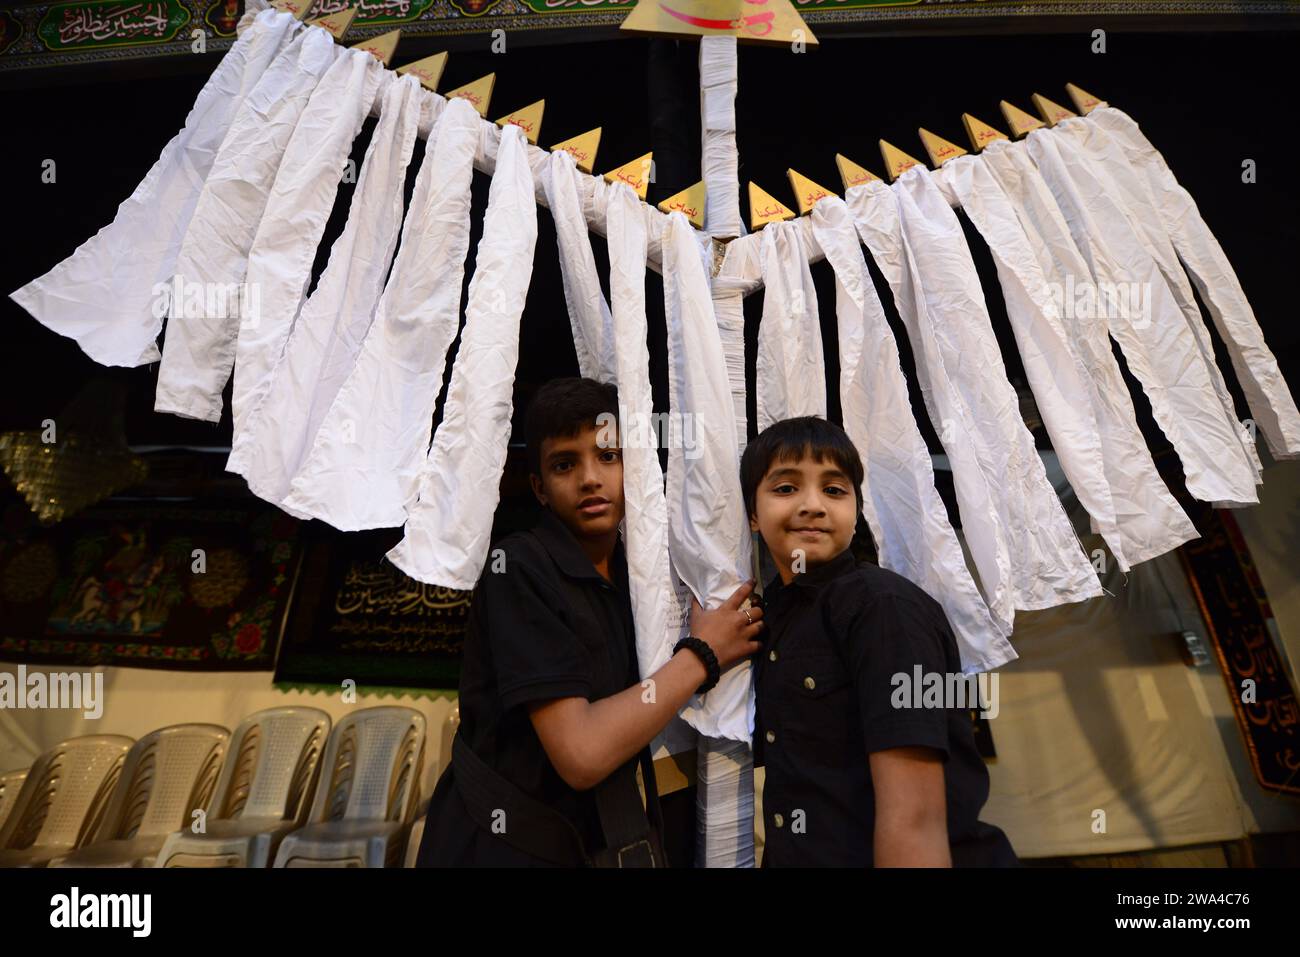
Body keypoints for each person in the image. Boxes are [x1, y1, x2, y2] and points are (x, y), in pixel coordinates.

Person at [416, 376, 762, 866]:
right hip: (505, 849)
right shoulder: (519, 568)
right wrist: (703, 655)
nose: (590, 479)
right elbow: (581, 754)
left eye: (608, 456)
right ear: (538, 487)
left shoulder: (643, 576)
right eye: (564, 464)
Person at [742, 415, 1018, 867]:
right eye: (786, 488)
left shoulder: (883, 609)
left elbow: (916, 820)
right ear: (753, 514)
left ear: (856, 509)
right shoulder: (772, 616)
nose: (813, 505)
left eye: (834, 490)